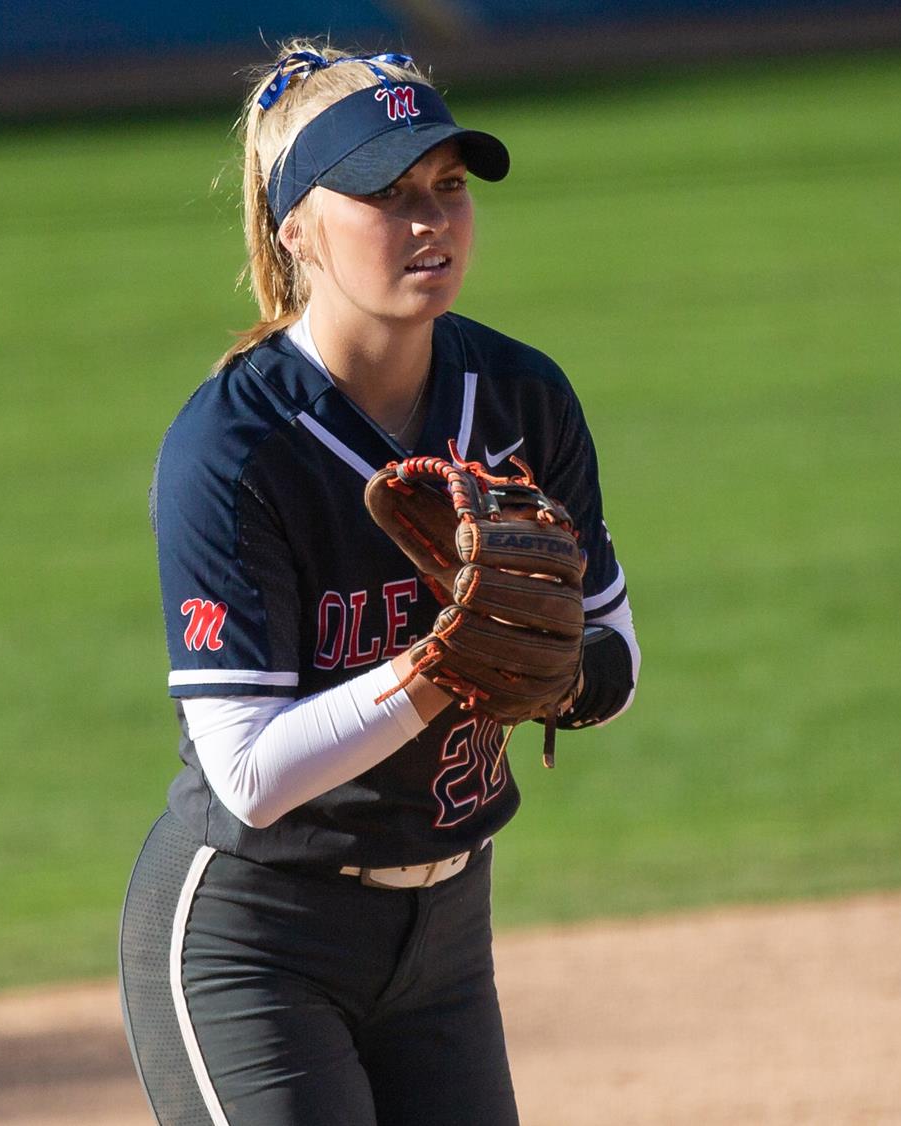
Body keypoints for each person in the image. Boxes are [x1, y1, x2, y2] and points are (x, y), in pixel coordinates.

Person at [118, 40, 639, 1126]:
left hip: (447, 940)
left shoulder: (520, 397)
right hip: (258, 943)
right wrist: (450, 661)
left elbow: (615, 659)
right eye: (386, 194)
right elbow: (249, 775)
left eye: (447, 187)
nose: (429, 221)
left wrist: (549, 672)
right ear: (296, 228)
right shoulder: (236, 448)